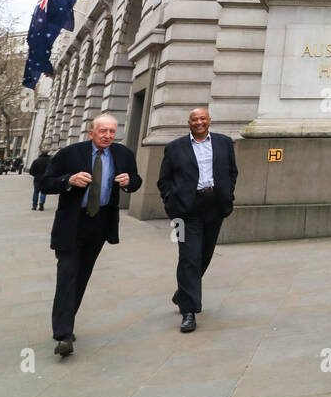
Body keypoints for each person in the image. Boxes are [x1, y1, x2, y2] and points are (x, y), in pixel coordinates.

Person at [35, 114, 141, 358]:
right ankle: (63, 334)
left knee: (82, 276)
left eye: (112, 131)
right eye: (103, 131)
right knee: (67, 274)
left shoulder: (123, 155)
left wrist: (129, 182)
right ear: (91, 132)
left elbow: (135, 180)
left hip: (100, 223)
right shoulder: (70, 154)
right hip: (72, 223)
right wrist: (68, 180)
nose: (108, 136)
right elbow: (44, 183)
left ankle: (66, 322)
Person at [157, 107, 237, 334]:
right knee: (189, 256)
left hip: (214, 206)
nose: (199, 122)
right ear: (189, 123)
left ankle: (183, 292)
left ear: (209, 121)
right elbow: (164, 180)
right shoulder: (175, 147)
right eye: (195, 119)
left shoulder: (224, 143)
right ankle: (189, 311)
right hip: (184, 212)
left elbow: (232, 172)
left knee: (204, 255)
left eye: (203, 118)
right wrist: (171, 204)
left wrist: (228, 195)